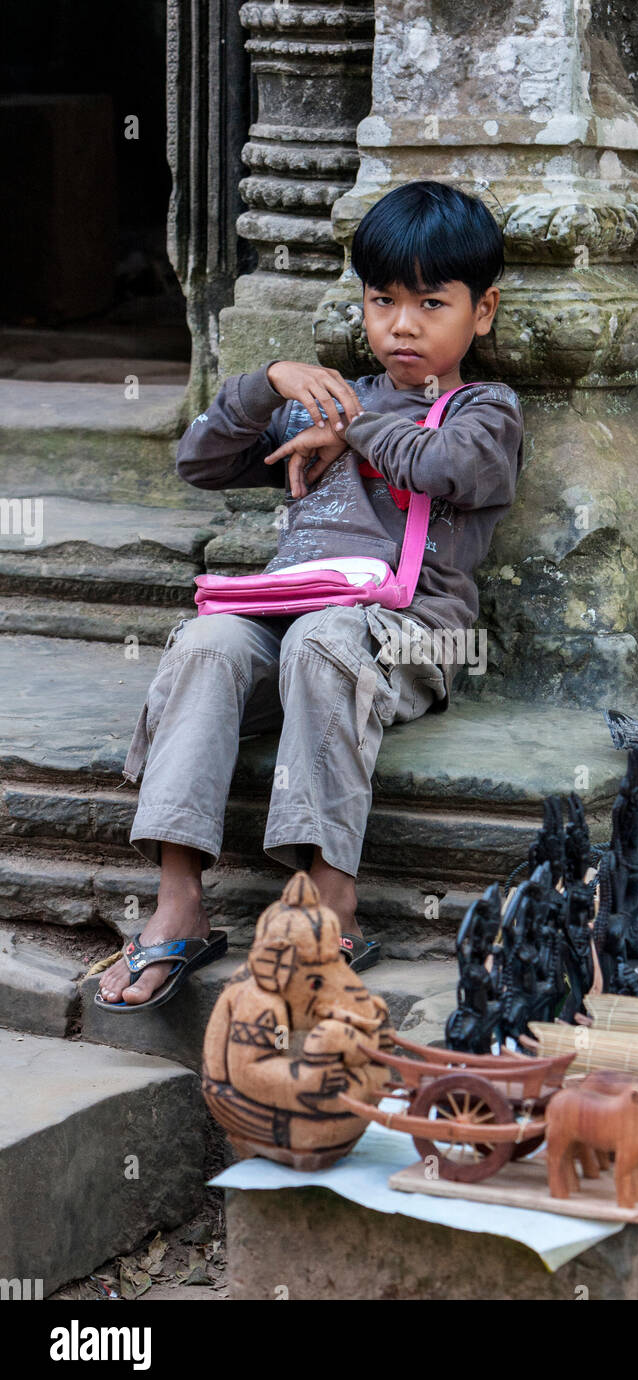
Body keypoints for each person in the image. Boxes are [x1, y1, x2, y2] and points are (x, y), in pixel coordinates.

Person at [96, 179, 524, 1011]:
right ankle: (178, 900)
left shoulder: (484, 409)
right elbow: (200, 463)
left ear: (483, 311)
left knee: (324, 639)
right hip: (286, 628)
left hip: (403, 636)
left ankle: (332, 899)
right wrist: (269, 382)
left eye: (432, 303)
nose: (403, 324)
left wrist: (357, 431)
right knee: (207, 644)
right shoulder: (323, 397)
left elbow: (453, 472)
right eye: (383, 301)